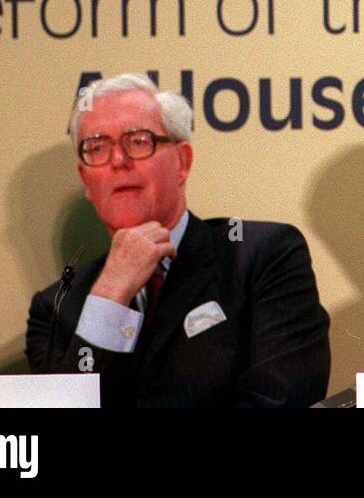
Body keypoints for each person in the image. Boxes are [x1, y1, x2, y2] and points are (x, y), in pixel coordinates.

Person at [26, 74, 330, 406]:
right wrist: (110, 294)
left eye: (139, 141)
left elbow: (282, 400)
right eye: (97, 148)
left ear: (182, 162)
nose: (117, 161)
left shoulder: (263, 256)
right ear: (86, 180)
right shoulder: (56, 310)